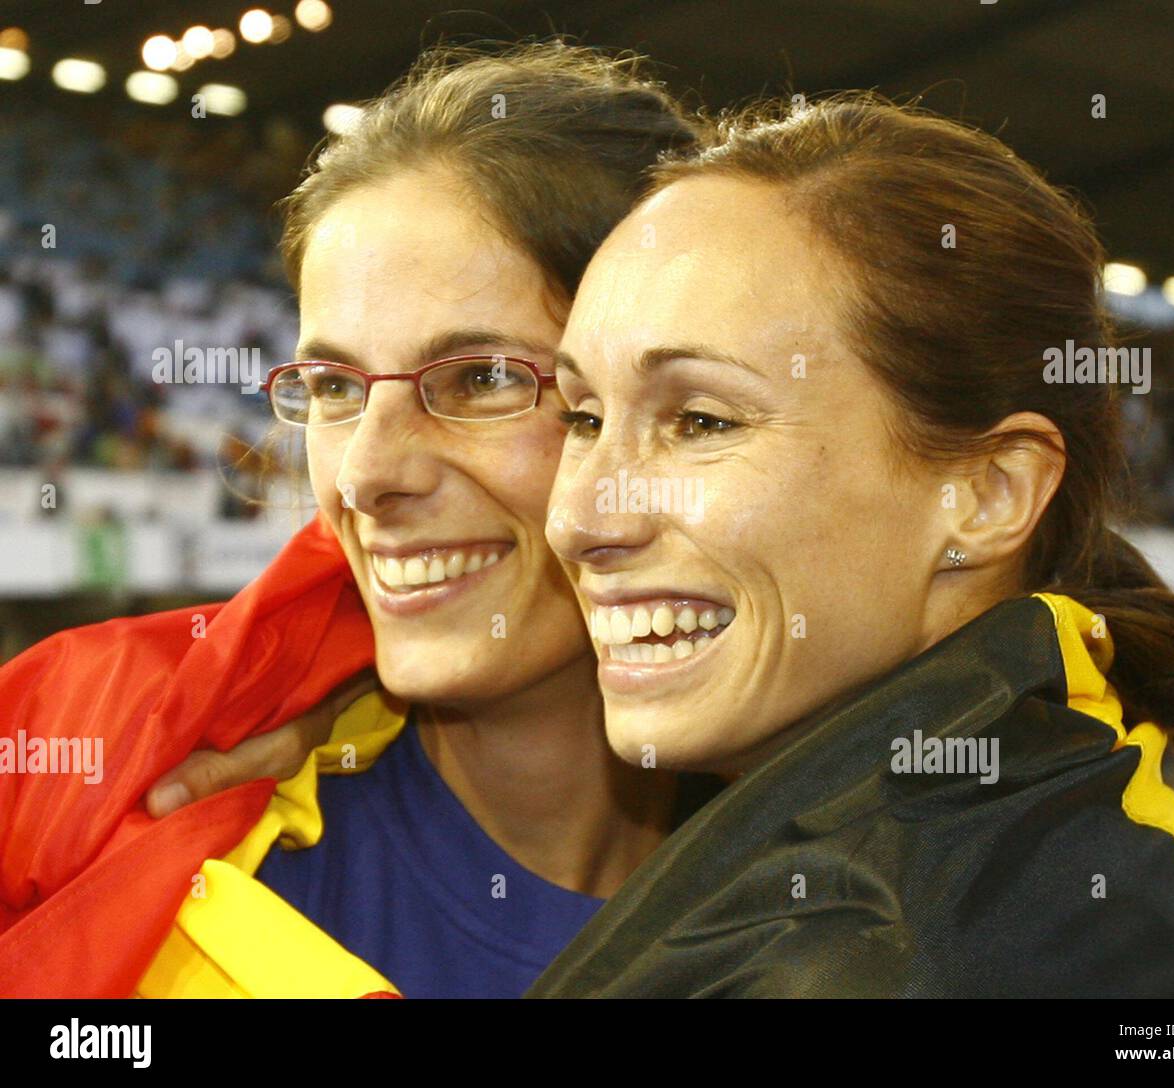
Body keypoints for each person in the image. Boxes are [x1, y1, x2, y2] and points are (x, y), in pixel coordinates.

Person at [0, 42, 708, 999]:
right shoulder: (147, 838)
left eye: (482, 378)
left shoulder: (890, 866)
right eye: (334, 386)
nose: (367, 474)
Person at [528, 94, 1174, 997]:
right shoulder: (1031, 830)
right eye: (583, 415)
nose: (579, 517)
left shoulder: (906, 952)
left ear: (988, 493)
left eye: (700, 420)